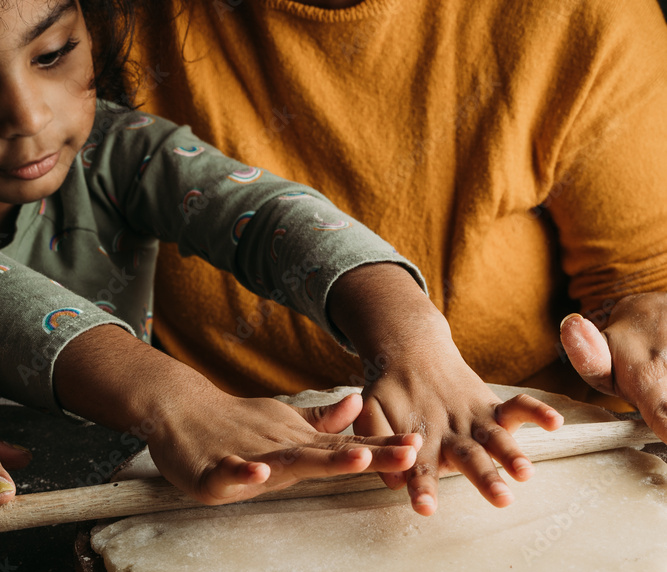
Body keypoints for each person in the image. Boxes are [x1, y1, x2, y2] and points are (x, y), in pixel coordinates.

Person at [0, 0, 562, 513]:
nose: (26, 116)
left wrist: (411, 334)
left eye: (51, 54)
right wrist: (169, 396)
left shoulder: (116, 151)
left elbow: (266, 214)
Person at [130, 0, 667, 502]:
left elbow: (639, 273)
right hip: (225, 472)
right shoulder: (98, 30)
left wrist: (643, 311)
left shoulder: (579, 15)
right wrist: (166, 397)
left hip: (536, 463)